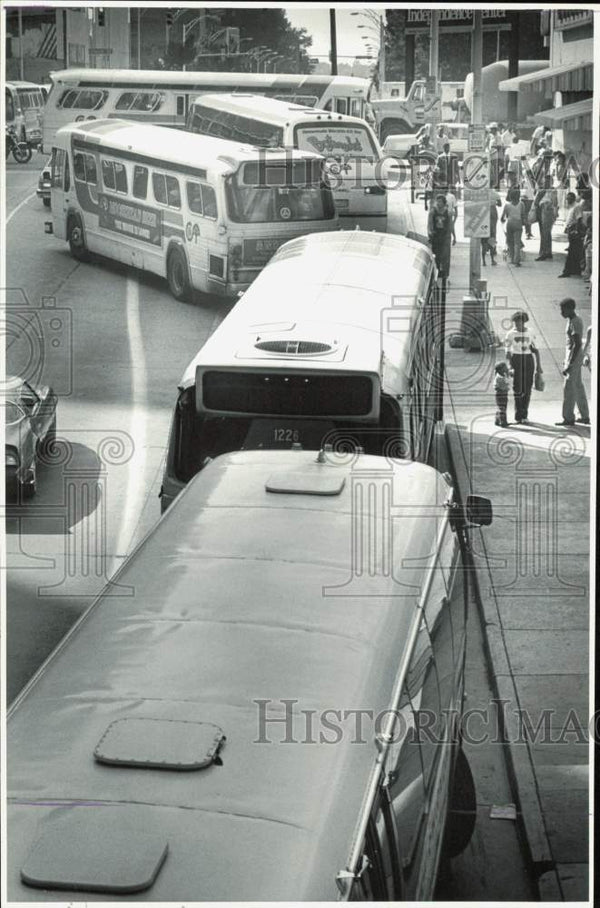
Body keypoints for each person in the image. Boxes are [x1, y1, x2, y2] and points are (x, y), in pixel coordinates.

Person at [555, 298, 590, 426]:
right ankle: (584, 415)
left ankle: (568, 417)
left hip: (574, 357)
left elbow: (577, 344)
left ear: (570, 309)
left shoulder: (575, 322)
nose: (561, 312)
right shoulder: (571, 320)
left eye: (563, 310)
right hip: (571, 355)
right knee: (578, 386)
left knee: (569, 388)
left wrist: (569, 364)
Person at [504, 310, 542, 424]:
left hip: (528, 360)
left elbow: (535, 349)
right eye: (515, 321)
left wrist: (539, 365)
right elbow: (507, 350)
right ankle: (518, 415)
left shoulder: (530, 332)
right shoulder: (510, 334)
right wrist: (510, 365)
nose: (517, 324)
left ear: (524, 321)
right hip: (517, 359)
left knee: (527, 388)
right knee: (518, 388)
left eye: (519, 321)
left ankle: (525, 414)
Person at [559, 192, 584, 277]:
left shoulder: (576, 207)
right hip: (570, 229)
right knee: (574, 251)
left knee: (572, 251)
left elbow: (579, 219)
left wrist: (576, 231)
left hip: (574, 230)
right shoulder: (571, 207)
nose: (567, 200)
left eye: (569, 198)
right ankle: (576, 270)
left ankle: (567, 271)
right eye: (567, 198)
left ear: (573, 198)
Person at [427, 193, 453, 278]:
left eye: (440, 202)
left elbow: (450, 225)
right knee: (436, 254)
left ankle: (444, 272)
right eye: (437, 201)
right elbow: (429, 223)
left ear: (444, 203)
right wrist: (430, 233)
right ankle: (436, 270)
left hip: (444, 236)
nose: (438, 203)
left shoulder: (448, 213)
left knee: (444, 255)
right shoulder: (433, 211)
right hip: (436, 235)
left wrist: (452, 236)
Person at [501, 188, 525, 266]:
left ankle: (512, 258)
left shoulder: (507, 206)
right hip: (518, 223)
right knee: (517, 243)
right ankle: (516, 260)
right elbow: (523, 215)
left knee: (510, 242)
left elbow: (503, 217)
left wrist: (504, 220)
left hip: (510, 224)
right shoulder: (521, 204)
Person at [535, 184, 557, 261]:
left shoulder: (551, 192)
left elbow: (554, 204)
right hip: (543, 212)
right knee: (546, 233)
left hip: (546, 212)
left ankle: (544, 252)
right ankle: (547, 251)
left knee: (545, 233)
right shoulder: (544, 191)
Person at [481, 188, 501, 266]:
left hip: (484, 211)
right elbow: (500, 204)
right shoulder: (495, 193)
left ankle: (484, 261)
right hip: (493, 211)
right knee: (492, 235)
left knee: (483, 234)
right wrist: (493, 202)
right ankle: (492, 260)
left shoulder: (481, 193)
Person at [493, 362, 512, 427]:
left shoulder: (502, 375)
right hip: (501, 394)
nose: (507, 368)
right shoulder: (499, 378)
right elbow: (500, 387)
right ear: (501, 369)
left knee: (502, 408)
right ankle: (503, 422)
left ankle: (497, 420)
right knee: (502, 408)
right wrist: (506, 387)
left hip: (503, 394)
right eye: (505, 367)